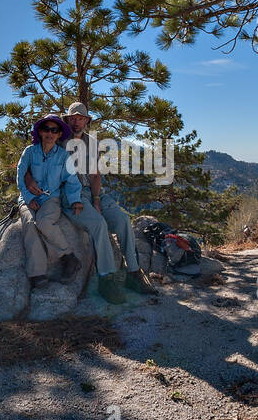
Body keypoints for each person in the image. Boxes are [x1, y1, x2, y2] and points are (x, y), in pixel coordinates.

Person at [63, 102, 155, 305]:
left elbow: (95, 175)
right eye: (73, 118)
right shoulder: (60, 141)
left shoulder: (92, 143)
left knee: (122, 219)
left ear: (87, 121)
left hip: (91, 192)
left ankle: (133, 272)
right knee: (99, 224)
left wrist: (96, 199)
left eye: (80, 118)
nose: (76, 122)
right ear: (68, 120)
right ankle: (106, 278)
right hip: (71, 196)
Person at [14, 115, 90, 289]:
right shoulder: (29, 152)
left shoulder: (63, 156)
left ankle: (69, 257)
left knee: (44, 221)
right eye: (46, 129)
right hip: (27, 198)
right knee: (30, 224)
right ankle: (37, 273)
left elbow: (71, 180)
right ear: (40, 132)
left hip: (51, 198)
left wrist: (75, 200)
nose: (49, 133)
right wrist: (29, 198)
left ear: (59, 134)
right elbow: (20, 176)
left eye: (54, 130)